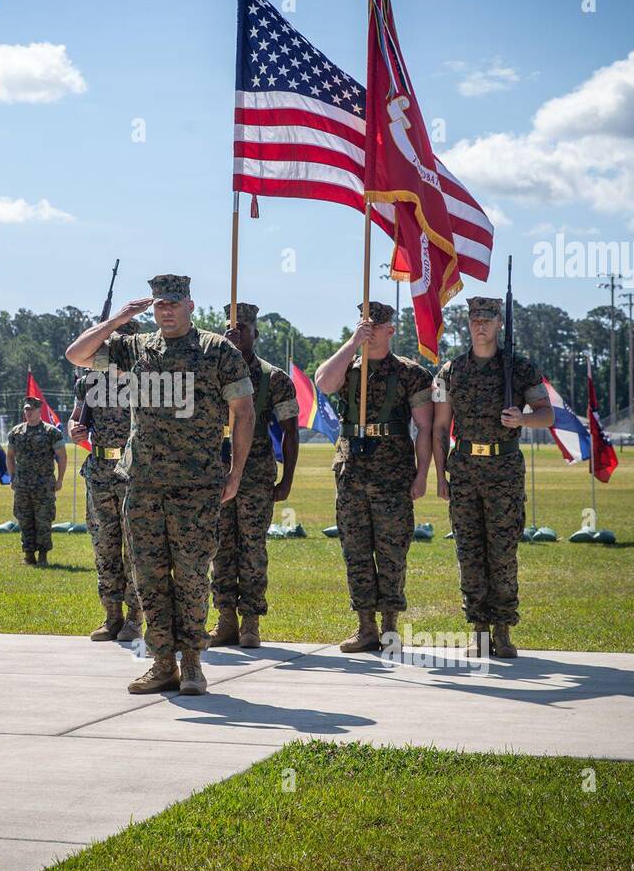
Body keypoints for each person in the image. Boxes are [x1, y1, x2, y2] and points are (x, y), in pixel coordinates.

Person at [65, 274, 254, 696]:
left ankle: (192, 665)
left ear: (190, 304)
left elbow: (244, 412)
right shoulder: (135, 349)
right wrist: (118, 318)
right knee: (149, 576)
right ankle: (162, 663)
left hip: (197, 485)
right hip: (144, 485)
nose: (165, 310)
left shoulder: (216, 350)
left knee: (190, 576)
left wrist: (235, 472)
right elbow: (77, 355)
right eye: (158, 304)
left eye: (174, 302)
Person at [431, 296, 553, 658]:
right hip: (465, 470)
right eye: (474, 320)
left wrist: (523, 419)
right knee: (469, 551)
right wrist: (441, 478)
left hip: (504, 470)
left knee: (502, 552)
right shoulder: (450, 371)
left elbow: (547, 415)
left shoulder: (520, 368)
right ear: (467, 324)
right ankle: (478, 630)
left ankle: (502, 630)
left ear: (500, 323)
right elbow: (440, 428)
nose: (480, 326)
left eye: (487, 319)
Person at [315, 302, 432, 652]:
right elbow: (323, 382)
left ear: (391, 331)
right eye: (364, 323)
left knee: (393, 551)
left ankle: (390, 626)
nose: (370, 329)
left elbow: (424, 428)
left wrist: (422, 474)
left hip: (393, 473)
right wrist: (352, 343)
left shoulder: (412, 374)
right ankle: (365, 626)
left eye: (376, 325)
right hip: (352, 472)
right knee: (356, 550)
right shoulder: (348, 368)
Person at [209, 302, 298, 649]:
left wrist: (287, 480)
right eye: (229, 327)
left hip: (256, 473)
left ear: (255, 333)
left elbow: (291, 432)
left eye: (242, 328)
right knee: (219, 547)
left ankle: (250, 621)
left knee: (251, 547)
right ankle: (225, 618)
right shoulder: (211, 373)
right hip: (216, 470)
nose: (235, 333)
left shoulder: (273, 378)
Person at [69, 321, 145, 641]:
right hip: (99, 469)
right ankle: (111, 615)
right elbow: (76, 417)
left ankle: (134, 618)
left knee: (136, 548)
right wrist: (75, 428)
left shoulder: (145, 380)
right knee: (105, 546)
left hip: (132, 472)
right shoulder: (88, 382)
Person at [6, 395, 67, 566]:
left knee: (43, 520)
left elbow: (62, 457)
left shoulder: (51, 432)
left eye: (31, 410)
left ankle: (43, 555)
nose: (28, 413)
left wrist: (60, 479)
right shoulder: (16, 433)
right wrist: (12, 477)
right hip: (23, 485)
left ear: (39, 411)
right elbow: (10, 457)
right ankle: (28, 555)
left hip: (44, 485)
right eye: (26, 410)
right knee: (24, 520)